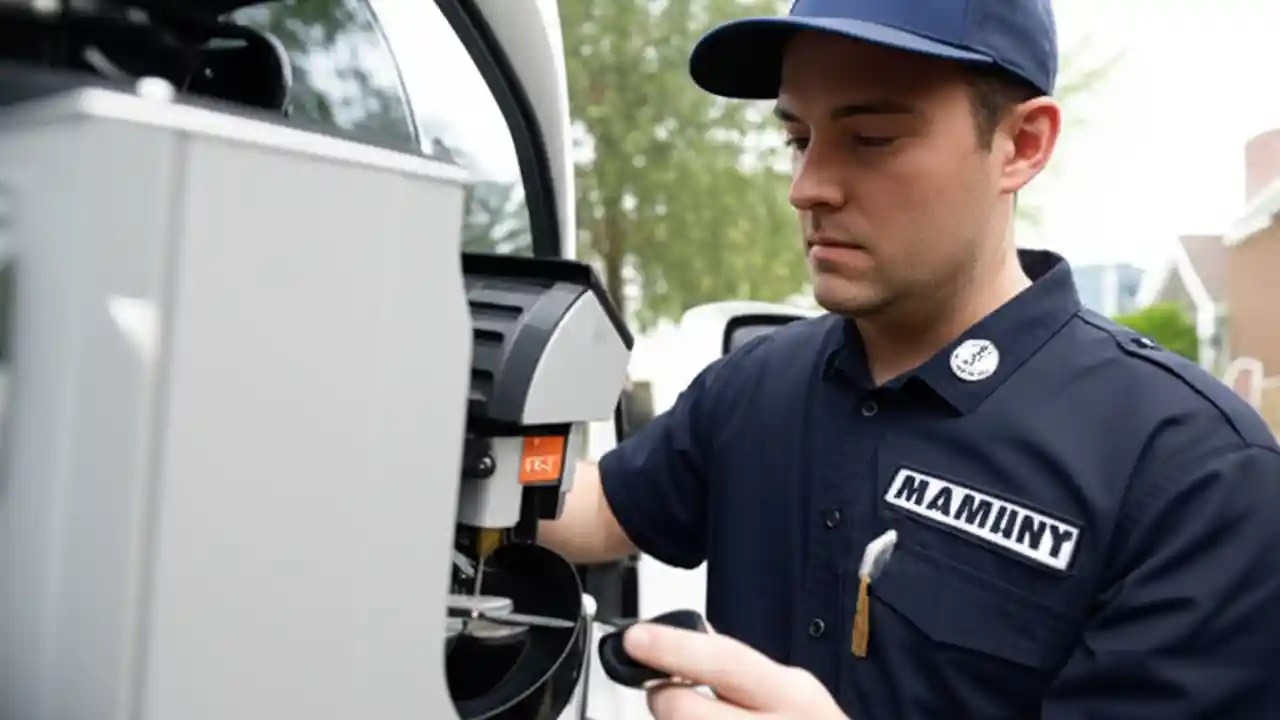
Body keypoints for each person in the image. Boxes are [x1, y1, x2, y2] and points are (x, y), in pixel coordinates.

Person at [540, 0, 1280, 717]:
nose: (808, 188)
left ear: (1022, 146)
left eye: (871, 140)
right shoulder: (757, 382)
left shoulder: (1194, 473)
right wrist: (443, 417)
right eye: (799, 140)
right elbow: (598, 509)